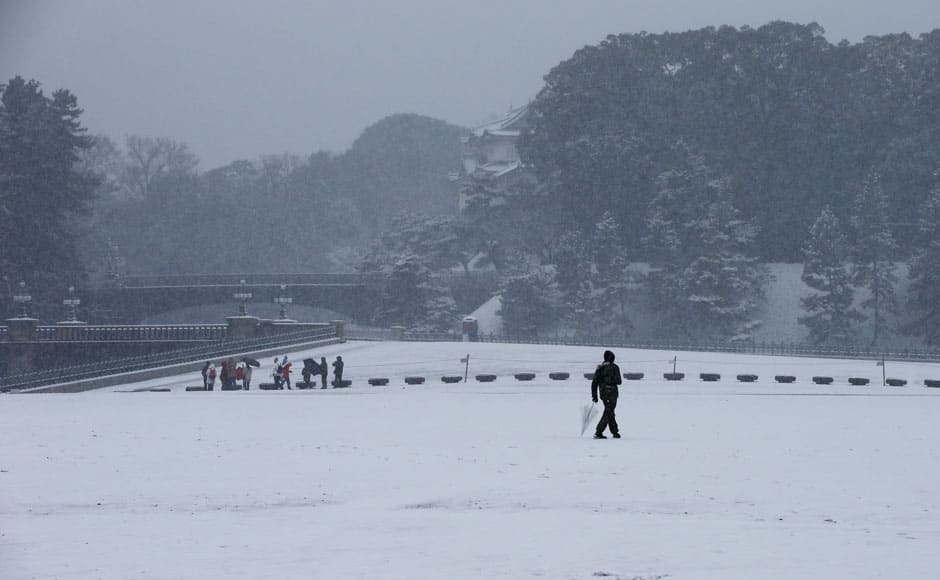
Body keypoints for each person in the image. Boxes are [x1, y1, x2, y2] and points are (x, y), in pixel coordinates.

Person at [590, 350, 622, 439]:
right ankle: (599, 431)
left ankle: (614, 432)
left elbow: (594, 383)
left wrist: (594, 395)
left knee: (609, 411)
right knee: (609, 411)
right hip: (612, 394)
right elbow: (619, 381)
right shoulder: (615, 367)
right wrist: (612, 380)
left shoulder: (600, 368)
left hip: (603, 394)